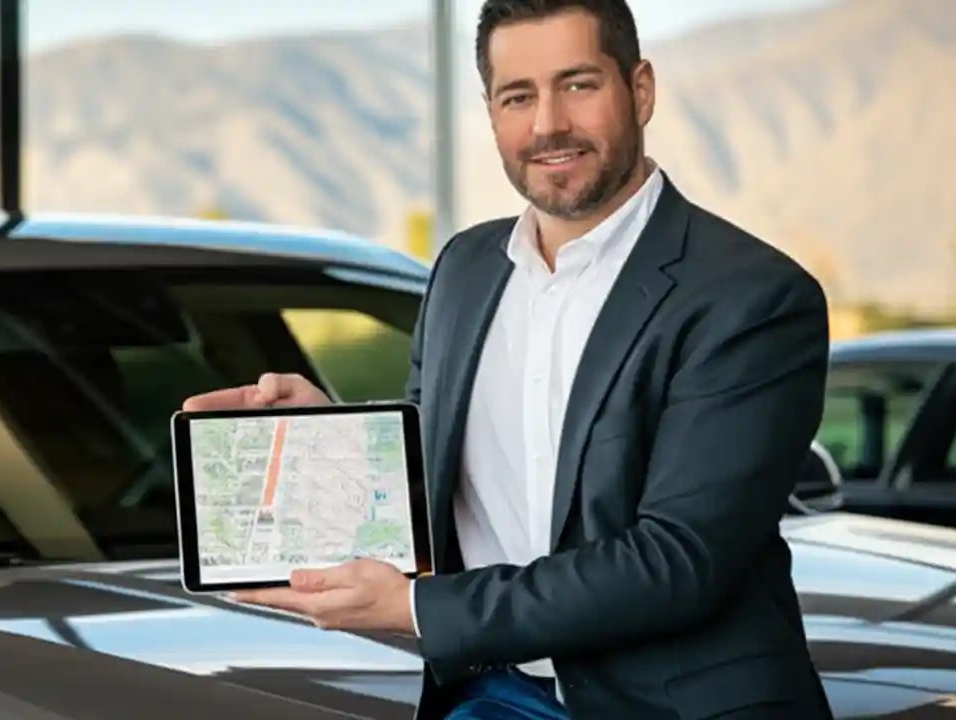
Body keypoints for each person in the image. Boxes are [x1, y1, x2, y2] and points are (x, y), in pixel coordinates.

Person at [183, 1, 834, 717]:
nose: (548, 123)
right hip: (487, 696)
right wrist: (331, 449)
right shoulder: (465, 268)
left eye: (578, 84)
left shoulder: (751, 297)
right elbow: (442, 499)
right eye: (518, 96)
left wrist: (418, 607)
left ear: (640, 89)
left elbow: (676, 562)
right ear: (492, 112)